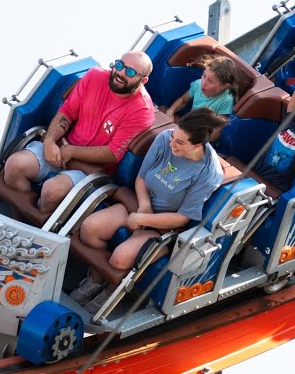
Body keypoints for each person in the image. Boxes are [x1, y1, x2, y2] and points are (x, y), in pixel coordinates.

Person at [70, 108, 226, 306]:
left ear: (197, 146)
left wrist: (143, 219)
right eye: (173, 136)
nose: (172, 144)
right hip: (138, 205)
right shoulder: (164, 139)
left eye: (179, 142)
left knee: (120, 258)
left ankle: (110, 292)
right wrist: (143, 206)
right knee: (89, 229)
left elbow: (183, 217)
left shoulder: (208, 172)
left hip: (163, 226)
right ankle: (95, 280)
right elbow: (142, 177)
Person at [2, 52, 157, 218]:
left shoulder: (142, 110)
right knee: (14, 165)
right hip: (63, 148)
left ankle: (36, 221)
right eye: (119, 65)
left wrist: (71, 151)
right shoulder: (95, 76)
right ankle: (18, 216)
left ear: (143, 80)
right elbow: (67, 112)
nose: (120, 73)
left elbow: (113, 153)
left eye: (130, 72)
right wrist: (49, 141)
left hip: (91, 170)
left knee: (51, 191)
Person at [165, 54, 239, 119]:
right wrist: (171, 111)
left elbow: (218, 127)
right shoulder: (198, 83)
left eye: (210, 81)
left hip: (201, 132)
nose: (203, 83)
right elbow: (183, 100)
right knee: (163, 111)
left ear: (224, 86)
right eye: (204, 75)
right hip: (188, 123)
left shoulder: (226, 100)